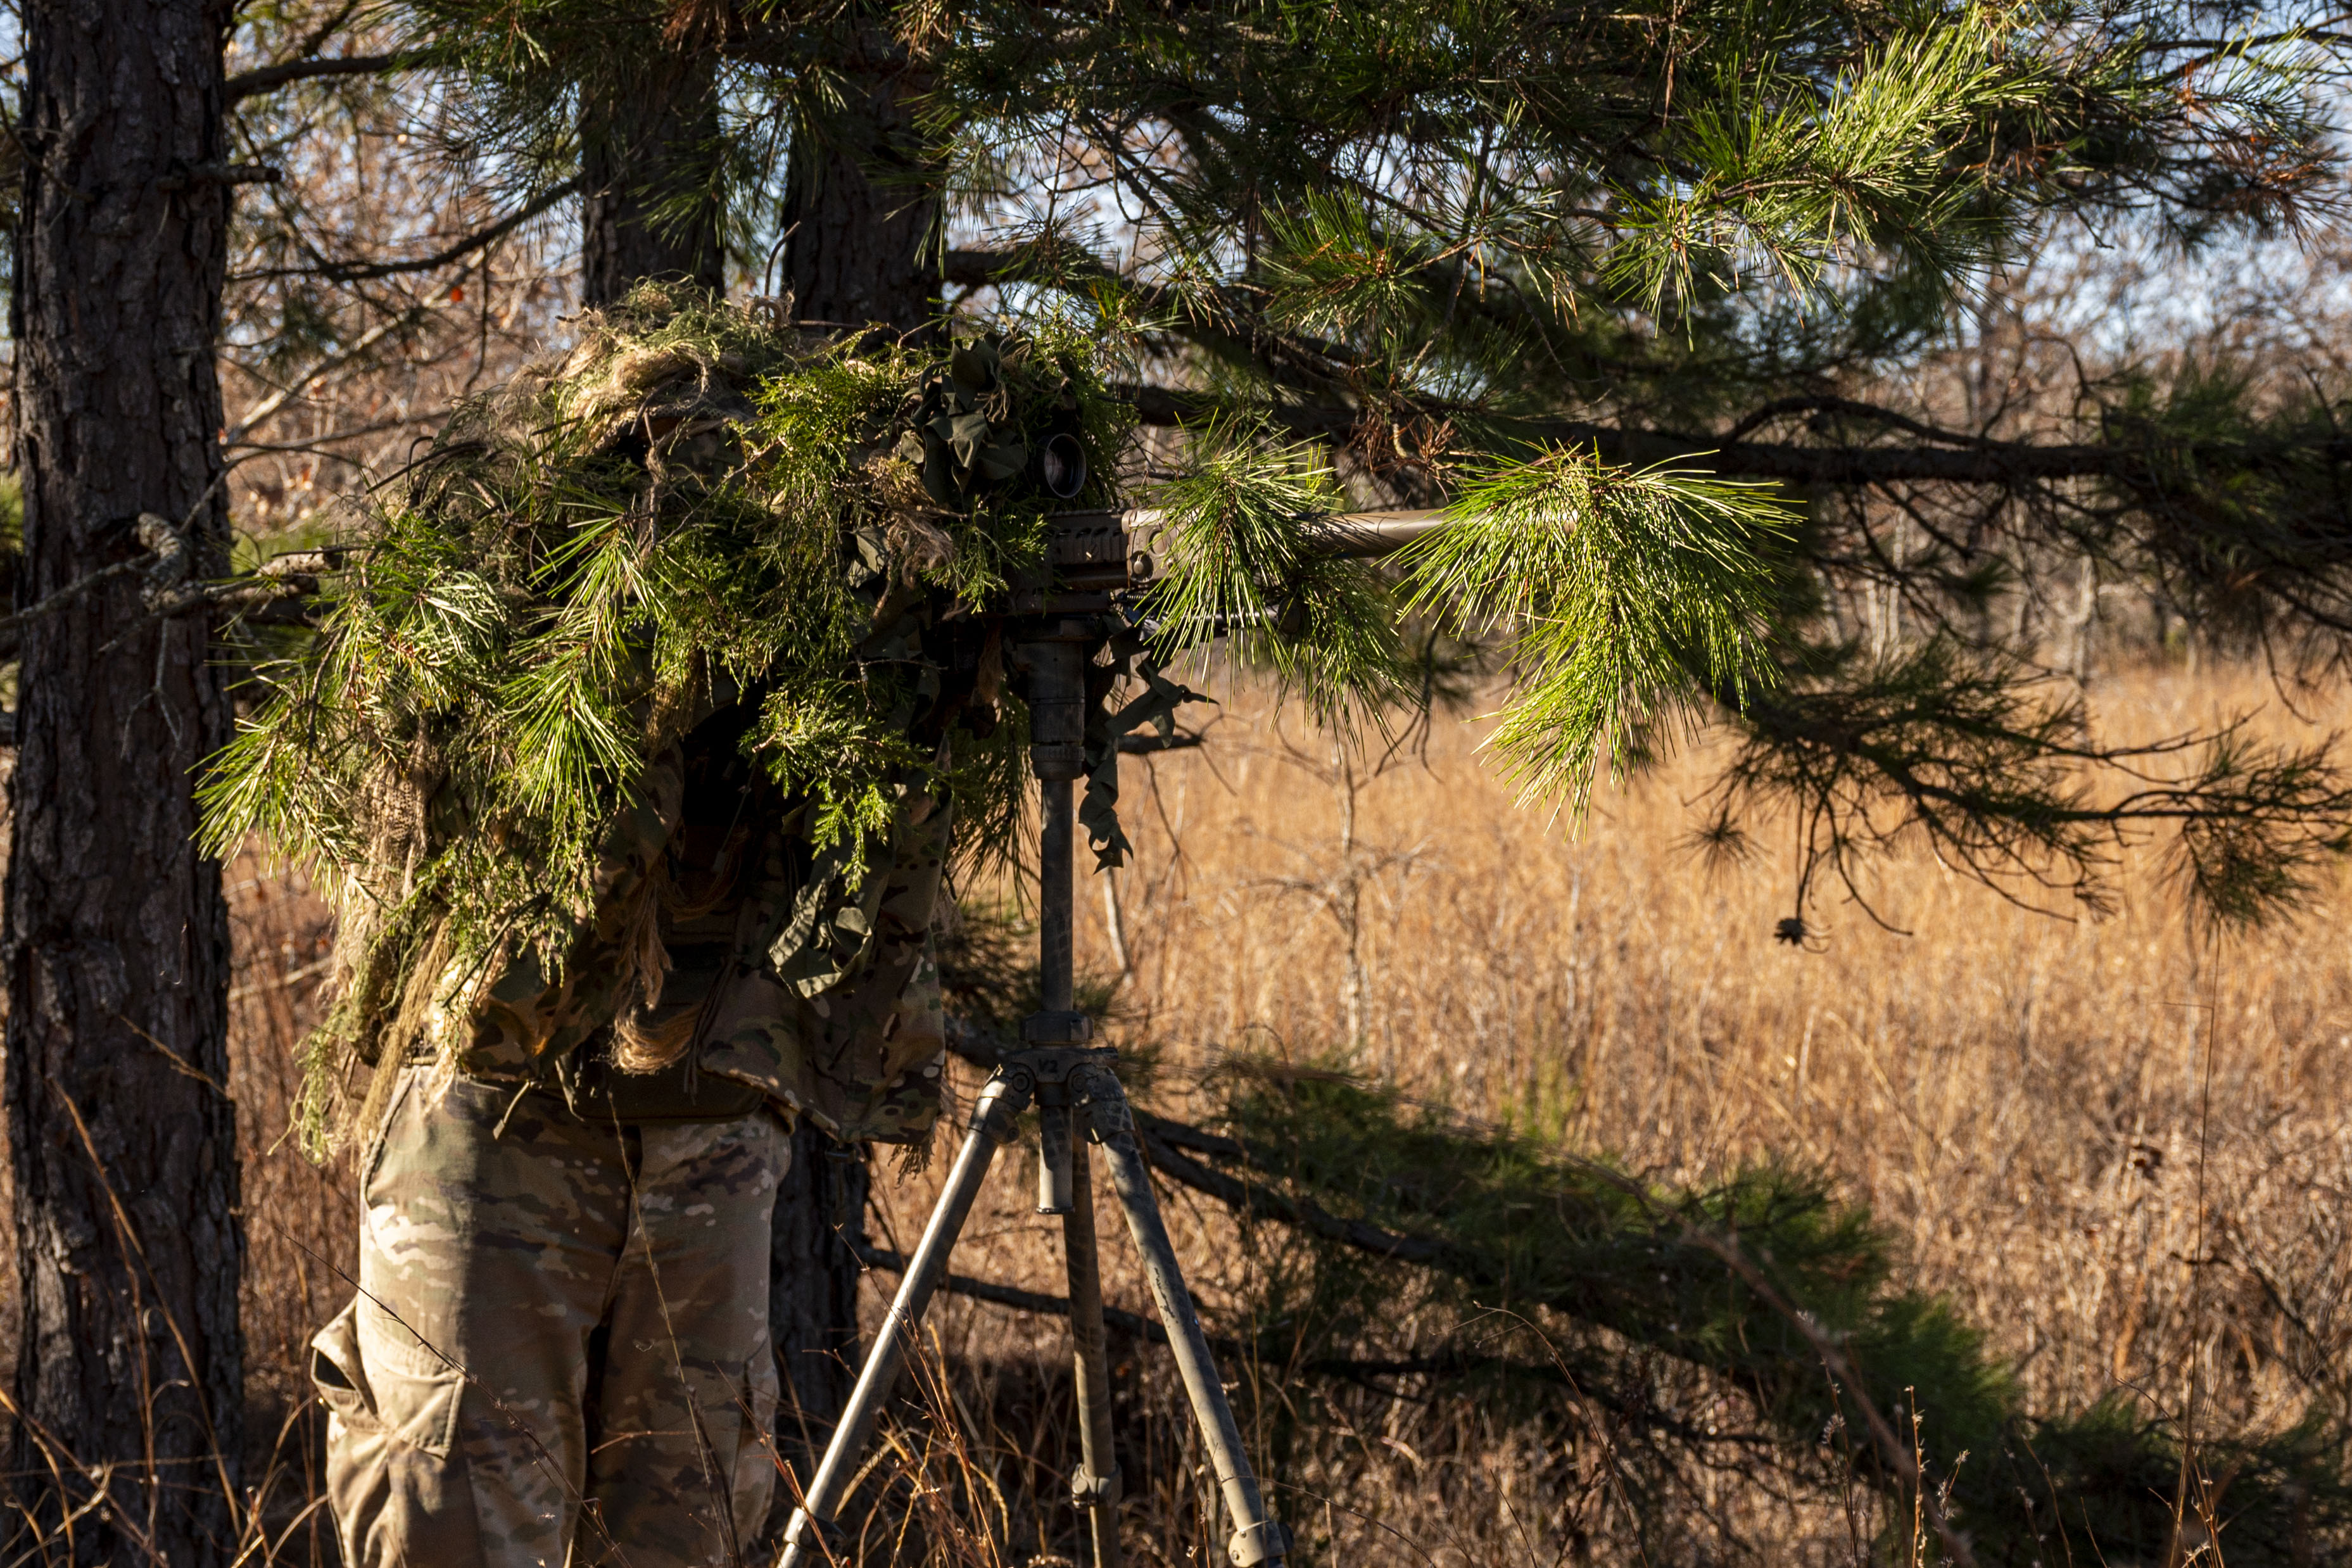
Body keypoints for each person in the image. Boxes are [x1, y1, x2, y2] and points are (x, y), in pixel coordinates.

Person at [307, 686, 954, 1568]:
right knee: (451, 1520)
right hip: (496, 1100)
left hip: (715, 1107)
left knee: (688, 1527)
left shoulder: (842, 608)